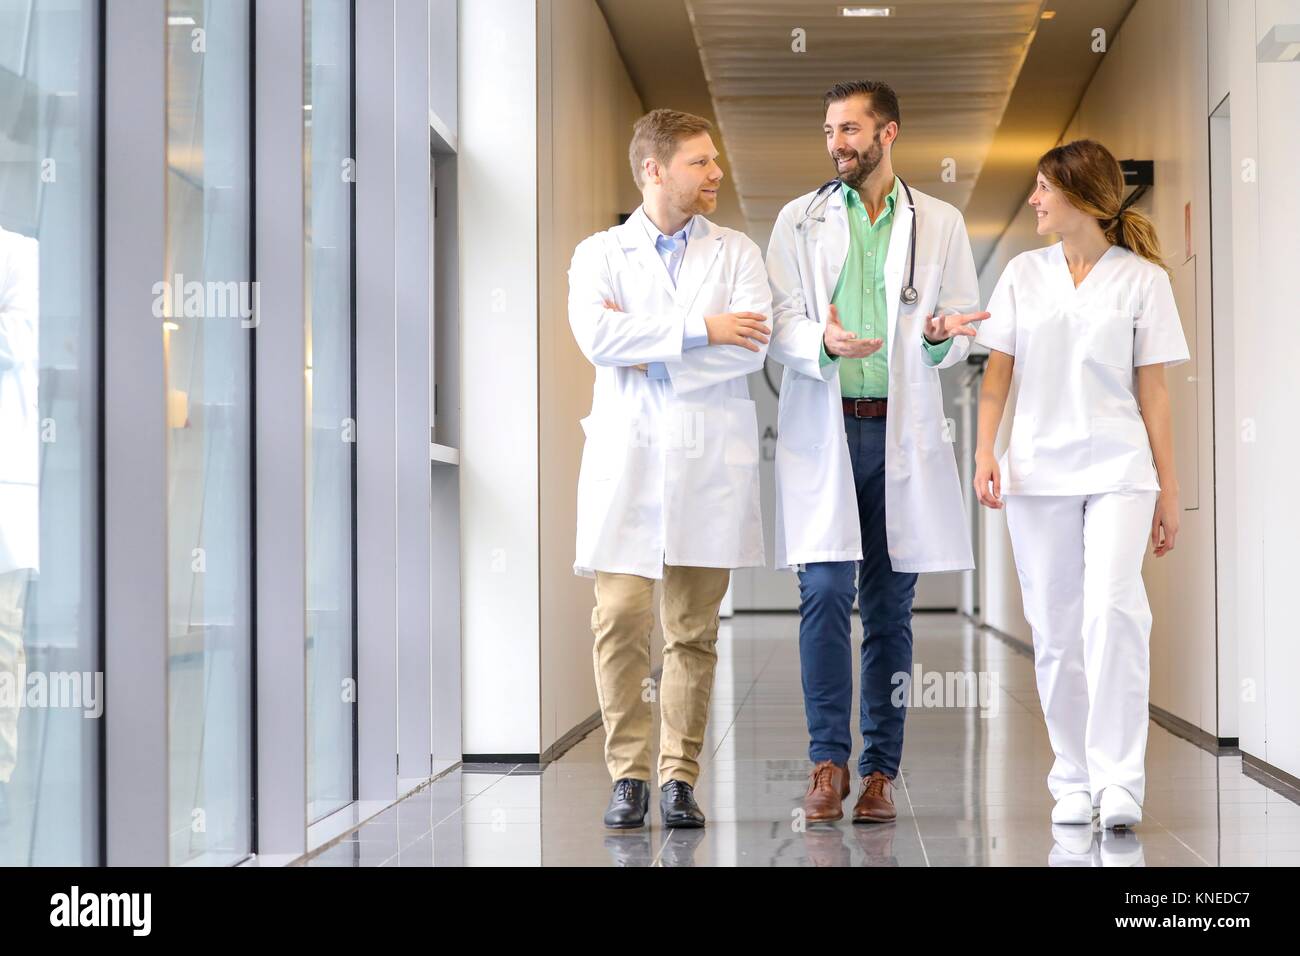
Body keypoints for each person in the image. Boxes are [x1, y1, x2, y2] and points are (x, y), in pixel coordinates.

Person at [765, 80, 987, 825]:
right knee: (825, 593)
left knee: (890, 609)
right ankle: (827, 761)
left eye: (851, 129)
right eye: (830, 130)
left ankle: (880, 773)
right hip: (829, 426)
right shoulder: (798, 220)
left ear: (889, 133)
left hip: (902, 433)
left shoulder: (941, 221)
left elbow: (958, 330)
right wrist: (816, 341)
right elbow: (779, 322)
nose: (838, 143)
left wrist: (938, 336)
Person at [973, 139, 1189, 830]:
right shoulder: (1020, 276)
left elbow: (1152, 391)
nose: (1034, 200)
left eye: (1043, 188)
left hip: (1120, 469)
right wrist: (985, 451)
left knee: (1114, 612)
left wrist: (1167, 486)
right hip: (1037, 471)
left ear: (1081, 195)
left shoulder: (1141, 280)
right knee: (1058, 629)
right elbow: (997, 374)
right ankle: (1072, 776)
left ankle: (1120, 781)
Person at [567, 109, 771, 830]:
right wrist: (699, 330)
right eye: (700, 162)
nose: (716, 174)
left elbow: (751, 346)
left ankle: (678, 776)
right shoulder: (600, 254)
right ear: (655, 171)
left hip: (707, 461)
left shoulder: (739, 252)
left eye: (714, 161)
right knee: (618, 619)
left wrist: (650, 348)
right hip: (628, 459)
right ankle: (628, 773)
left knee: (692, 629)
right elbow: (597, 336)